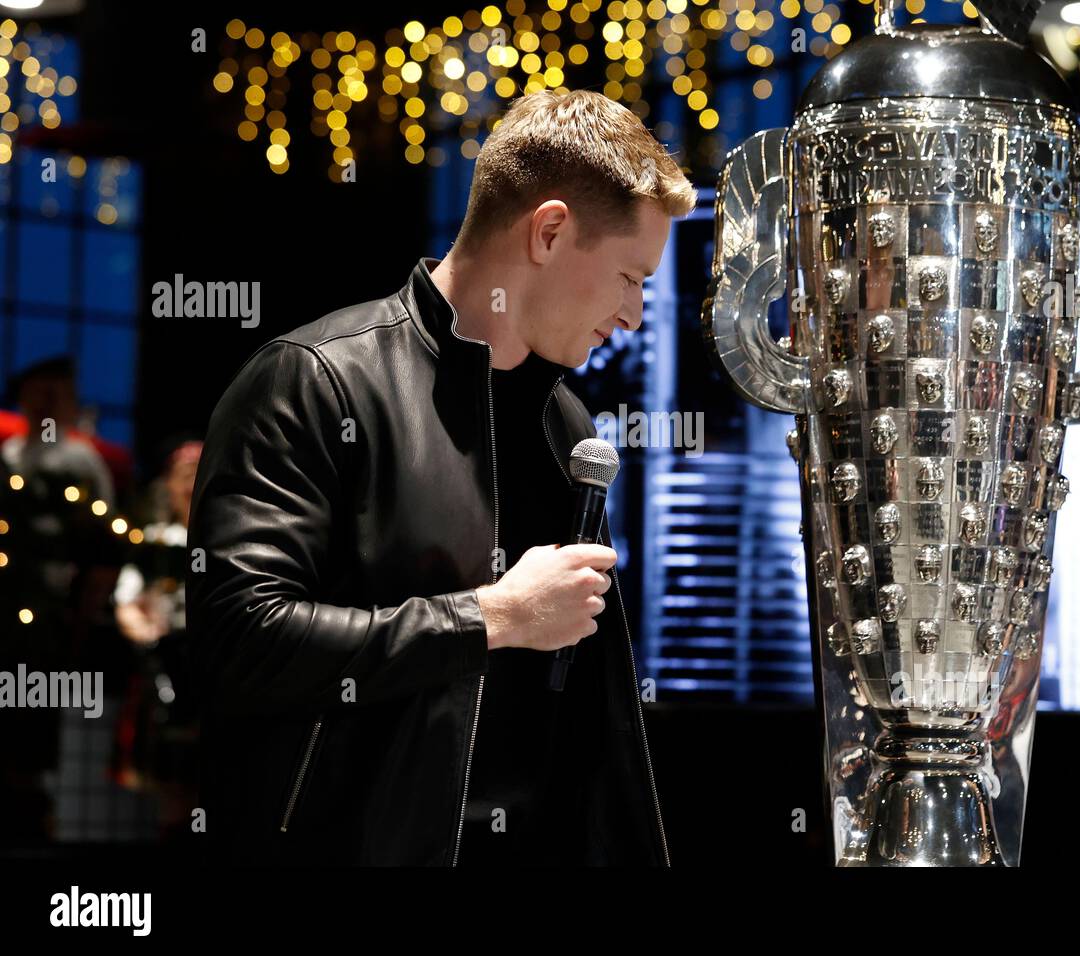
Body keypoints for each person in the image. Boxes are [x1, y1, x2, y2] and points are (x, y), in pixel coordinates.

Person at [187, 89, 696, 866]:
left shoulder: (566, 424)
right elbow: (240, 638)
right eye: (630, 276)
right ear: (551, 231)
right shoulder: (317, 380)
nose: (632, 313)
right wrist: (491, 617)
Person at [110, 439, 203, 847]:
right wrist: (144, 631)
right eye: (182, 476)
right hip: (165, 665)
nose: (189, 485)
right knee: (169, 771)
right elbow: (126, 601)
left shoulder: (229, 541)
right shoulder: (153, 542)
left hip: (214, 669)